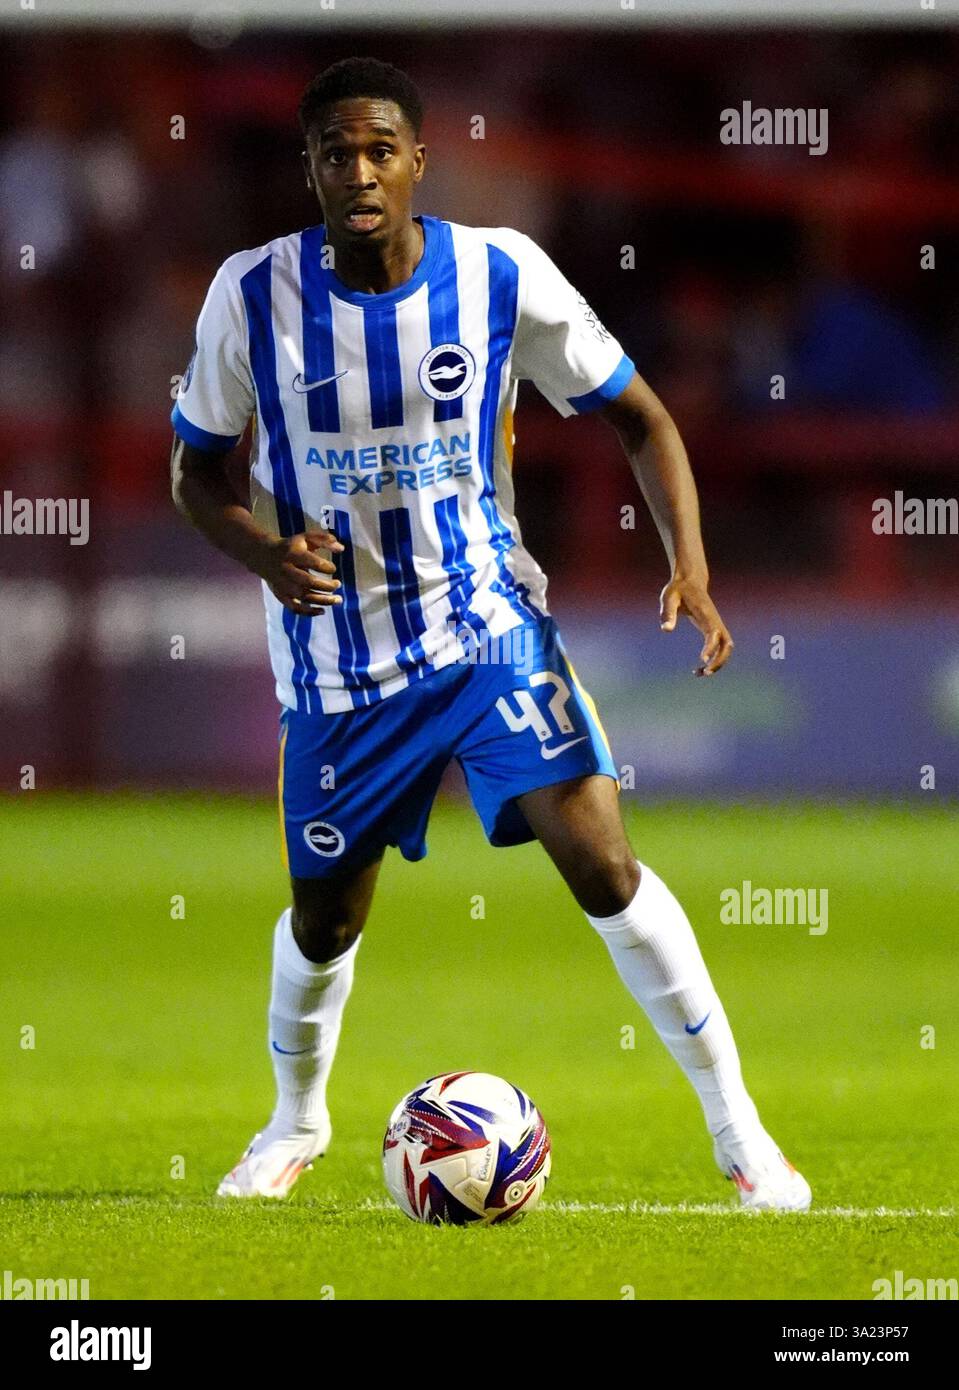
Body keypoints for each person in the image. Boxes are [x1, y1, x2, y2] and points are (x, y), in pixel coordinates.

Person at [170, 57, 810, 1211]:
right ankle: (293, 1119)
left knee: (603, 862)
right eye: (333, 154)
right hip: (337, 658)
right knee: (323, 918)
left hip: (485, 627)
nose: (358, 174)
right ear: (307, 169)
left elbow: (639, 414)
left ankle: (739, 1131)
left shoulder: (499, 272)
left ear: (419, 159)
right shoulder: (248, 296)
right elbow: (194, 470)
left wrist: (693, 568)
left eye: (379, 151)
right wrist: (263, 550)